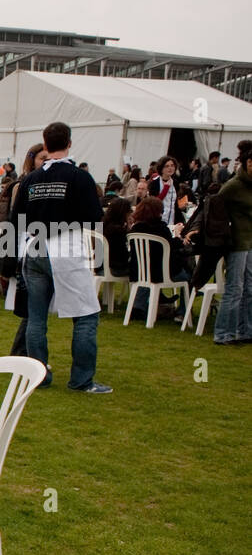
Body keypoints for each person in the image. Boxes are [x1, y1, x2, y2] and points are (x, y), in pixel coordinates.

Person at [14, 121, 110, 393]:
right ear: (69, 144)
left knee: (36, 317)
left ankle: (38, 374)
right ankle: (81, 380)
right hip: (65, 245)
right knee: (85, 316)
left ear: (45, 145)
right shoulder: (79, 177)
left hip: (33, 245)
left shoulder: (31, 180)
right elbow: (94, 216)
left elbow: (16, 218)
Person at [214, 139, 252, 345]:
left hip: (250, 242)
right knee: (234, 287)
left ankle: (245, 330)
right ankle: (223, 333)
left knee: (249, 288)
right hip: (237, 242)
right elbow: (216, 206)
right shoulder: (234, 186)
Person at [126, 195, 189, 318]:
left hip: (140, 271)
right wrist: (177, 235)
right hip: (162, 273)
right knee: (188, 277)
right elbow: (172, 247)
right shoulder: (161, 229)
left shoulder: (135, 230)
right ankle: (182, 312)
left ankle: (139, 306)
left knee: (149, 272)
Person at [148, 156, 181, 225]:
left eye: (172, 166)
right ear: (161, 169)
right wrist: (165, 188)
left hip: (172, 219)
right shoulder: (155, 183)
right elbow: (154, 203)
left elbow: (175, 204)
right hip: (158, 219)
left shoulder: (175, 183)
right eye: (167, 166)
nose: (170, 168)